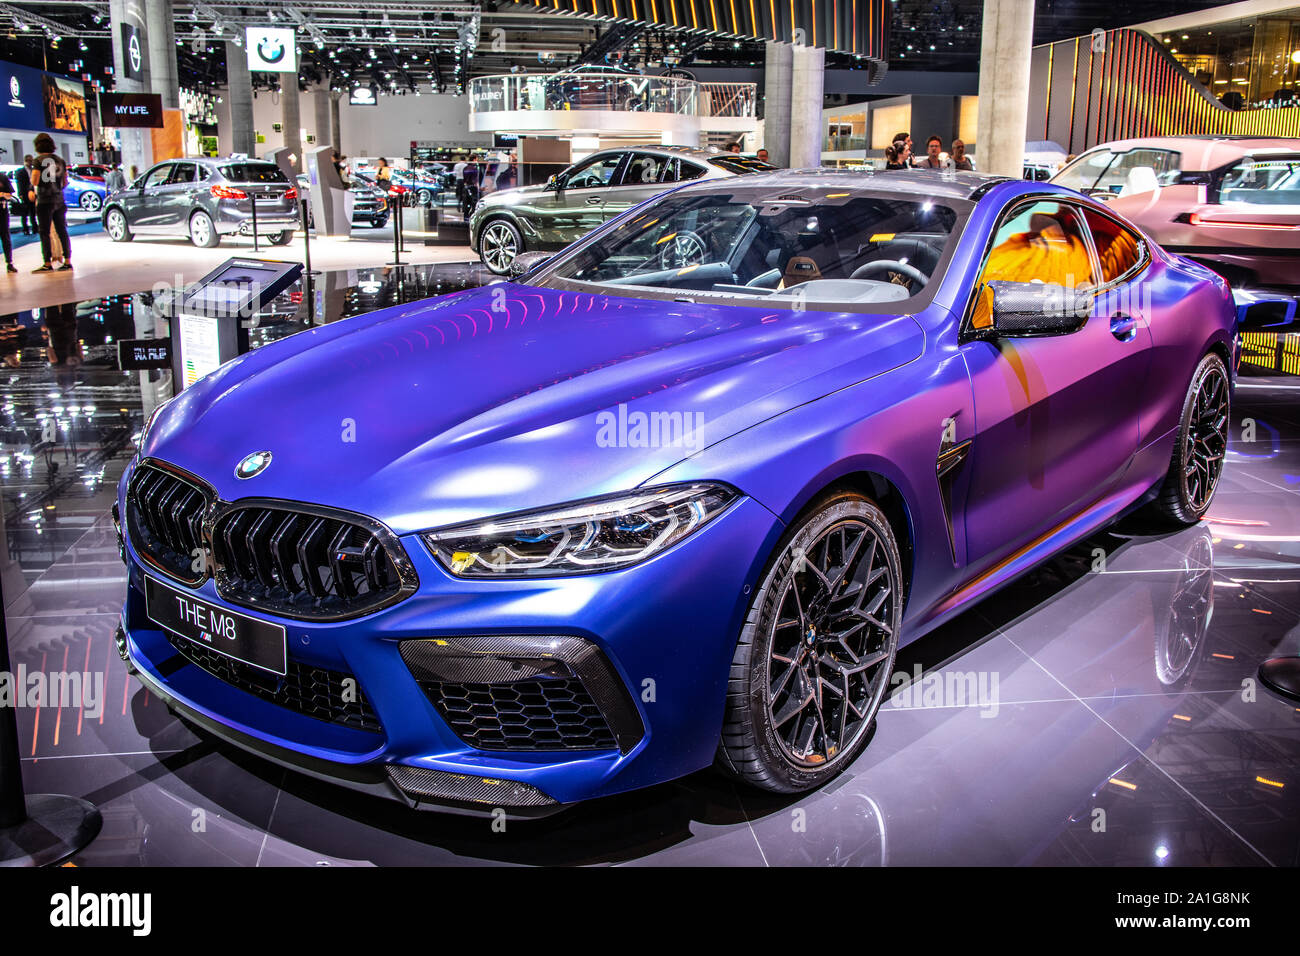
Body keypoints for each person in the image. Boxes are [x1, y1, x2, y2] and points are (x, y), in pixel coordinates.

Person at [30, 132, 72, 273]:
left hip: (44, 200)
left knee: (44, 232)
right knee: (62, 231)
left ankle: (47, 263)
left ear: (37, 146)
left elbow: (35, 180)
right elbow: (65, 182)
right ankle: (67, 261)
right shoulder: (60, 160)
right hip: (59, 199)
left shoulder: (38, 161)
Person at [0, 167, 16, 272]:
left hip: (2, 209)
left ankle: (9, 262)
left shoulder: (3, 177)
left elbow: (9, 195)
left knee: (5, 235)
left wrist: (3, 194)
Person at [14, 156, 34, 236]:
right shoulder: (20, 171)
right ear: (25, 161)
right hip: (25, 194)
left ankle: (35, 228)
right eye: (29, 161)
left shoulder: (34, 170)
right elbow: (19, 184)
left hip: (33, 194)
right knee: (24, 213)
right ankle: (25, 229)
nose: (30, 162)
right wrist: (20, 194)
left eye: (31, 161)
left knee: (33, 212)